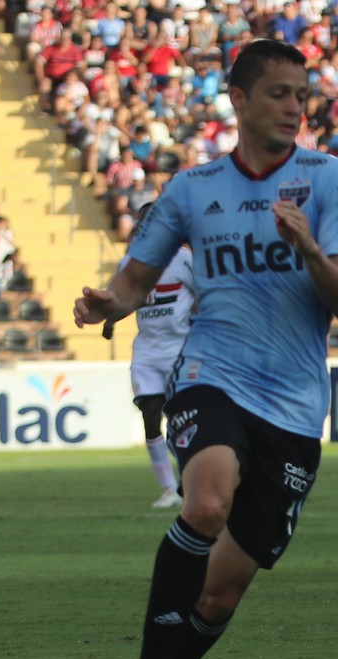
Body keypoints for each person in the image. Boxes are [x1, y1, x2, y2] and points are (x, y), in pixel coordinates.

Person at [72, 40, 338, 659]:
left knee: (221, 595)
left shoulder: (329, 178)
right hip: (213, 373)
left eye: (302, 95)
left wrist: (308, 248)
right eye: (279, 93)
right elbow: (135, 279)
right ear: (238, 99)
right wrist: (111, 302)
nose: (294, 107)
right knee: (205, 503)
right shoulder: (192, 189)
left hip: (295, 406)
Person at [102, 203, 197, 509]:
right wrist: (110, 320)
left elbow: (205, 293)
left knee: (183, 419)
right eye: (143, 224)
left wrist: (196, 319)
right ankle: (169, 488)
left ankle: (189, 484)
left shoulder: (183, 259)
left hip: (182, 348)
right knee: (151, 412)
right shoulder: (130, 262)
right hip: (147, 350)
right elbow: (122, 298)